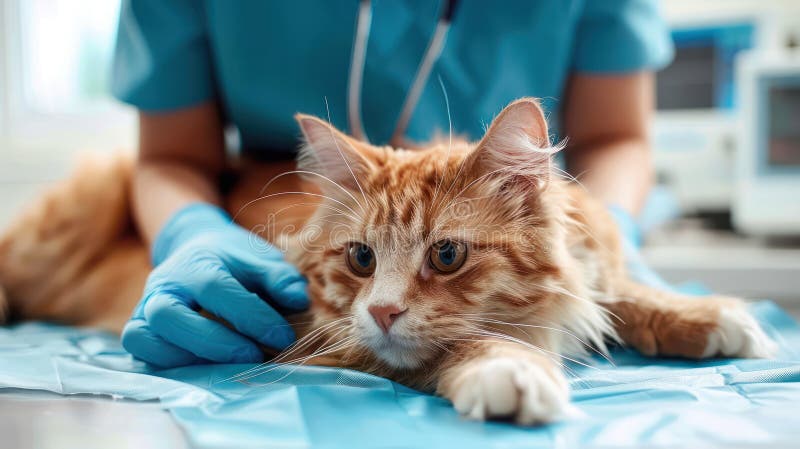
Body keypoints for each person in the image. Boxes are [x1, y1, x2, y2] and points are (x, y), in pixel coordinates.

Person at [112, 0, 674, 367]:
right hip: (280, 199)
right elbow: (171, 155)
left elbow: (614, 136)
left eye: (447, 256)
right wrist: (188, 230)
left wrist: (608, 238)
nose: (387, 305)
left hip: (501, 188)